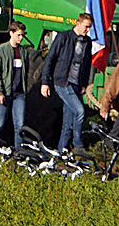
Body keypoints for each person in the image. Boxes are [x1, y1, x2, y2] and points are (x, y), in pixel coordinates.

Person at [40, 13, 95, 151]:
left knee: (68, 121)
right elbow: (50, 58)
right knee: (80, 111)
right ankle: (78, 145)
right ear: (78, 23)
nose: (87, 30)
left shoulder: (87, 42)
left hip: (77, 84)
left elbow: (86, 64)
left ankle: (61, 151)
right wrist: (45, 81)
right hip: (63, 82)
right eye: (86, 27)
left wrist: (84, 83)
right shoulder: (63, 37)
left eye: (89, 28)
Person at [0, 22, 32, 145]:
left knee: (20, 124)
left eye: (23, 35)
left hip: (19, 94)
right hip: (4, 93)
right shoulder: (1, 50)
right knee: (0, 122)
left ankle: (18, 152)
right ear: (11, 33)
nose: (21, 38)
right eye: (19, 35)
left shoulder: (23, 51)